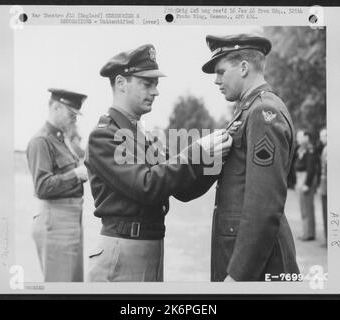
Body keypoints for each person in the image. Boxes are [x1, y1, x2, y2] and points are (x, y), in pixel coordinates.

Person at [84, 44, 233, 282]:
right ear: (121, 83)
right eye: (147, 84)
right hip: (123, 248)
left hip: (148, 245)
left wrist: (214, 157)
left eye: (156, 85)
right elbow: (147, 185)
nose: (155, 92)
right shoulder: (104, 135)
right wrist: (196, 151)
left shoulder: (143, 135)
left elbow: (181, 189)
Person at [180, 32, 300, 281]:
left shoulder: (263, 112)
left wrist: (238, 276)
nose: (216, 81)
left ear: (244, 67)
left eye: (221, 71)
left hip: (260, 267)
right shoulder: (249, 109)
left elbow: (264, 205)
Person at [27, 88, 89, 282]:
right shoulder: (41, 141)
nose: (74, 119)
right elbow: (42, 187)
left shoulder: (62, 139)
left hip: (70, 222)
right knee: (60, 288)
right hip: (55, 224)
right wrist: (76, 174)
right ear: (55, 107)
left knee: (73, 287)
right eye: (71, 114)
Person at [295, 129, 318, 241]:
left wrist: (307, 184)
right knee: (303, 208)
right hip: (300, 178)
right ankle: (305, 232)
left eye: (299, 137)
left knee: (308, 207)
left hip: (305, 180)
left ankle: (309, 233)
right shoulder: (301, 149)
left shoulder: (310, 150)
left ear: (306, 138)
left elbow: (311, 169)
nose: (297, 139)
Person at [318, 127, 327, 246]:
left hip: (327, 184)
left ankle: (328, 240)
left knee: (327, 212)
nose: (321, 138)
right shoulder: (325, 148)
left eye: (323, 136)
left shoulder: (327, 149)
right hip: (325, 183)